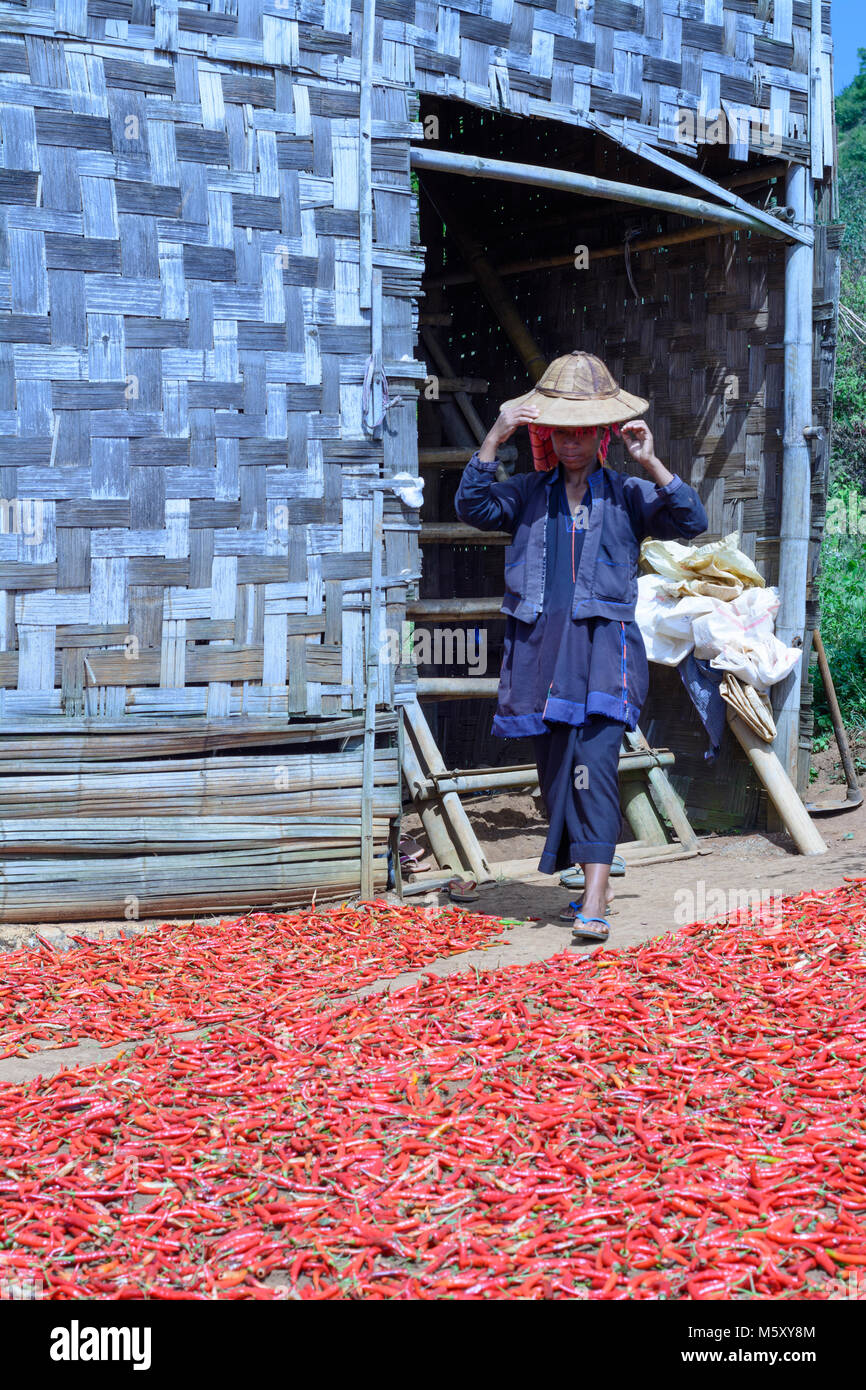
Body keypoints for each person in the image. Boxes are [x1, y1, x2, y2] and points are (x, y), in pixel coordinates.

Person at [454, 351, 708, 943]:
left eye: (583, 435)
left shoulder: (627, 494)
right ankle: (595, 877)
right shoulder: (523, 493)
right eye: (561, 435)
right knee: (555, 775)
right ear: (548, 436)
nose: (571, 445)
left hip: (605, 657)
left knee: (593, 768)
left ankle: (594, 896)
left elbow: (690, 520)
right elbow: (472, 507)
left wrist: (651, 460)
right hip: (541, 660)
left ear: (601, 437)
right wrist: (497, 432)